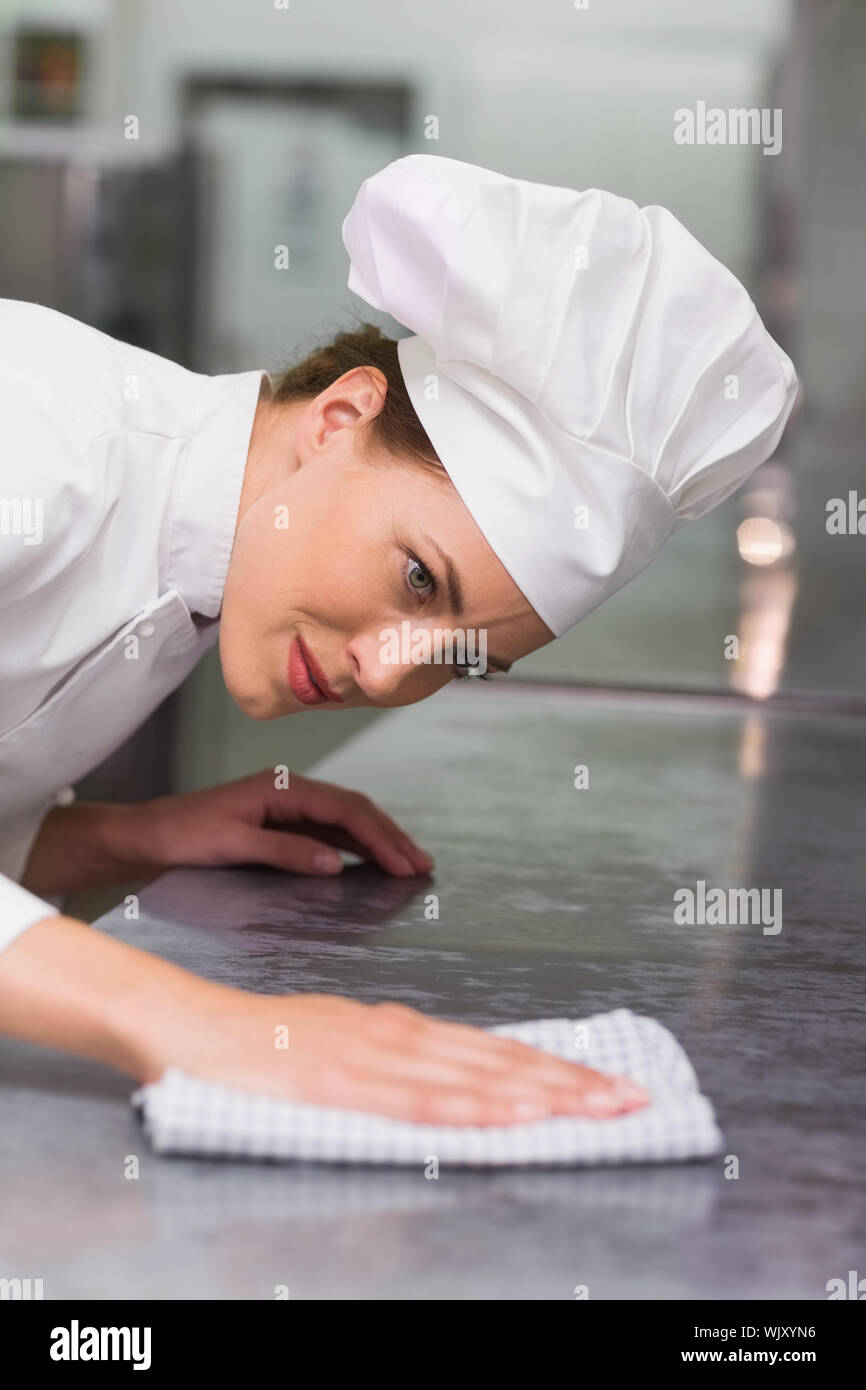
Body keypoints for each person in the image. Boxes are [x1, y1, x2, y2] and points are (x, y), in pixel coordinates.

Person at [0, 154, 799, 1126]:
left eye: (458, 656)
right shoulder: (39, 443)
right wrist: (194, 1021)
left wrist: (124, 837)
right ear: (341, 417)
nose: (384, 669)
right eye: (418, 577)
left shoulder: (202, 577)